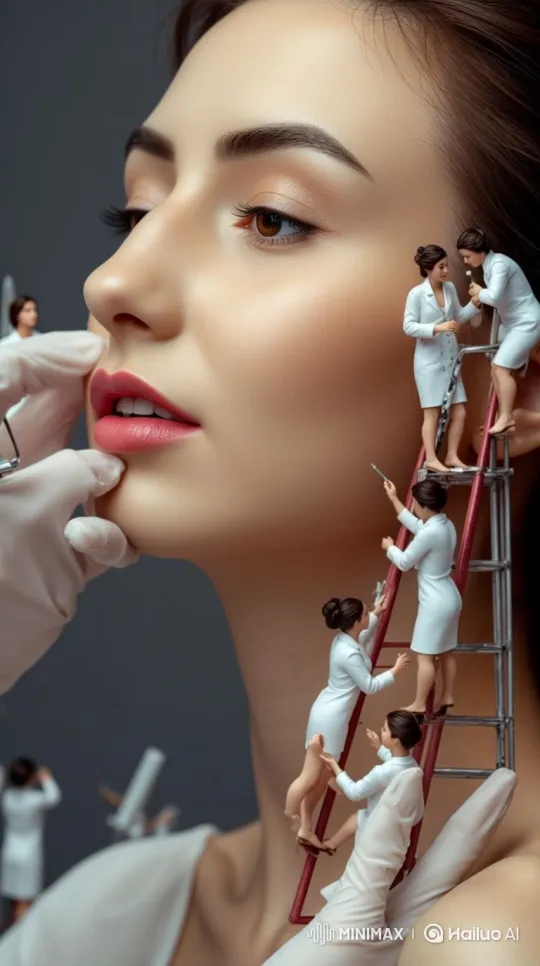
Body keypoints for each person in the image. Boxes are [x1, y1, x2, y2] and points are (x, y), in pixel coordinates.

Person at [0, 1, 540, 964]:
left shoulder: (497, 941)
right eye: (137, 209)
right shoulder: (109, 916)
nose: (115, 279)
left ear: (516, 379)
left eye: (272, 218)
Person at [284, 595, 410, 852]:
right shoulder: (348, 652)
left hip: (333, 715)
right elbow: (370, 685)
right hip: (329, 718)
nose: (368, 616)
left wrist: (376, 612)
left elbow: (363, 635)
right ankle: (291, 817)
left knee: (320, 781)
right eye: (365, 614)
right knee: (310, 777)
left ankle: (307, 829)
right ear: (355, 621)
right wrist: (395, 671)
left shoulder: (346, 639)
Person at [381, 478, 461, 724]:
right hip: (450, 596)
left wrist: (390, 548)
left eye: (415, 503)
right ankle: (447, 695)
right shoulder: (445, 525)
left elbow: (405, 562)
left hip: (434, 601)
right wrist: (395, 499)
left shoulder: (431, 531)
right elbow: (418, 526)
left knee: (425, 656)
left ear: (424, 505)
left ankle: (418, 703)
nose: (414, 507)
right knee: (446, 652)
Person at [318, 712, 422, 895]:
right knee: (357, 818)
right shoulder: (411, 764)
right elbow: (394, 763)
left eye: (384, 729)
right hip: (395, 823)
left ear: (396, 740)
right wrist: (380, 747)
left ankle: (331, 844)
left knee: (351, 801)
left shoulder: (381, 772)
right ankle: (331, 844)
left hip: (378, 827)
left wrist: (336, 767)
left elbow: (355, 793)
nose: (381, 731)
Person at [403, 245, 481, 473]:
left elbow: (458, 317)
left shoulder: (449, 289)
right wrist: (437, 328)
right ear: (428, 268)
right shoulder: (416, 294)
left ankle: (452, 455)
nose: (446, 270)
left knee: (460, 410)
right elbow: (408, 326)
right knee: (432, 412)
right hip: (428, 363)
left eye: (446, 265)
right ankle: (430, 457)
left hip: (449, 359)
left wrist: (474, 305)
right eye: (441, 267)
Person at [458, 228, 540, 437]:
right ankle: (502, 416)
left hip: (526, 322)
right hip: (512, 323)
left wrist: (479, 292)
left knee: (501, 368)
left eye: (467, 256)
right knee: (495, 368)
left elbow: (494, 297)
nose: (466, 261)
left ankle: (507, 418)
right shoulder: (489, 266)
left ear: (479, 250)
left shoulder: (500, 264)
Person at [0, 759, 61, 925]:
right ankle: (19, 940)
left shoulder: (7, 797)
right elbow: (54, 797)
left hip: (9, 851)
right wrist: (47, 779)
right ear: (32, 777)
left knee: (14, 898)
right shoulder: (35, 800)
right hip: (28, 854)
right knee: (25, 900)